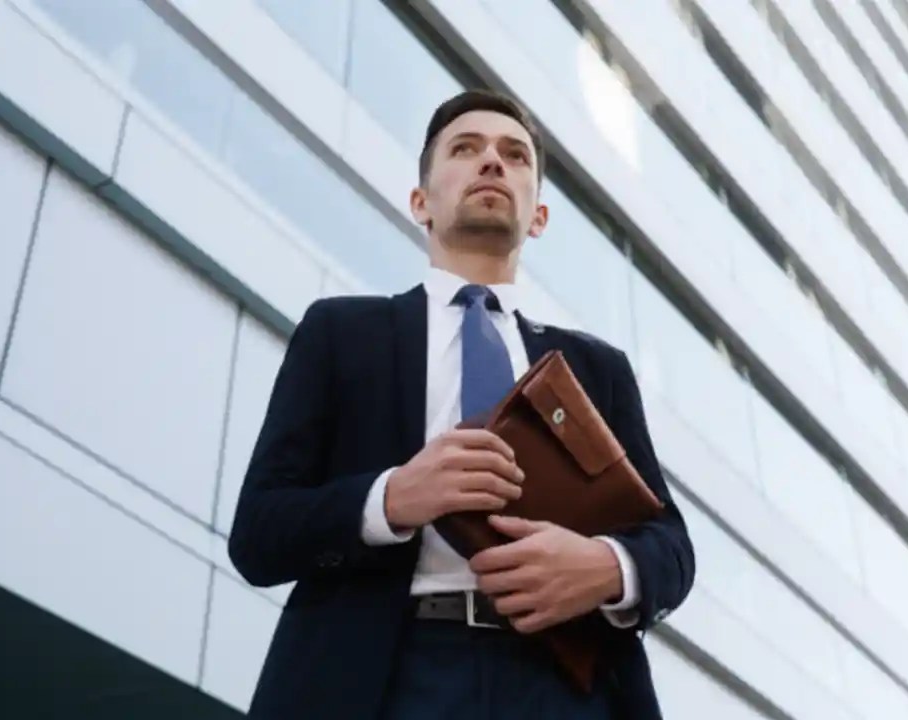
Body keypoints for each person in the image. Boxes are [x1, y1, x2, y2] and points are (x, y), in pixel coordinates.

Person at [228, 89, 695, 719]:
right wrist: (390, 498)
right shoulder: (342, 333)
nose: (493, 163)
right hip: (385, 678)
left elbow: (670, 542)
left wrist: (607, 566)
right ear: (421, 202)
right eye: (465, 149)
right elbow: (259, 532)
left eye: (515, 155)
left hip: (568, 686)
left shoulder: (598, 368)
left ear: (539, 217)